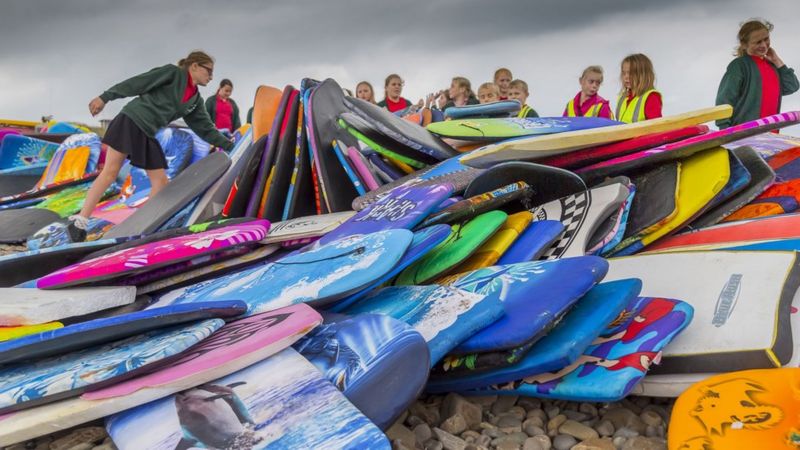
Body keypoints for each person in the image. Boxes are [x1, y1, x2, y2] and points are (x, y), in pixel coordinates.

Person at [71, 51, 234, 242]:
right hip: (130, 121)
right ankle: (79, 223)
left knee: (160, 181)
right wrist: (105, 97)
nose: (211, 77)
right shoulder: (173, 73)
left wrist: (231, 145)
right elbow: (138, 83)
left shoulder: (195, 100)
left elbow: (205, 128)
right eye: (209, 71)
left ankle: (144, 229)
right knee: (110, 173)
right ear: (194, 66)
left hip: (147, 132)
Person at [716, 18, 799, 129]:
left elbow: (792, 86)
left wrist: (777, 61)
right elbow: (725, 99)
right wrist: (725, 130)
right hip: (743, 133)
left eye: (766, 39)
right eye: (758, 42)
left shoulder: (773, 66)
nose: (764, 45)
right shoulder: (739, 66)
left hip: (770, 134)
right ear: (744, 44)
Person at [616, 53, 662, 123]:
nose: (626, 77)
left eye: (631, 73)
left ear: (644, 75)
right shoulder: (622, 97)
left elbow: (656, 126)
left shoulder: (651, 97)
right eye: (624, 73)